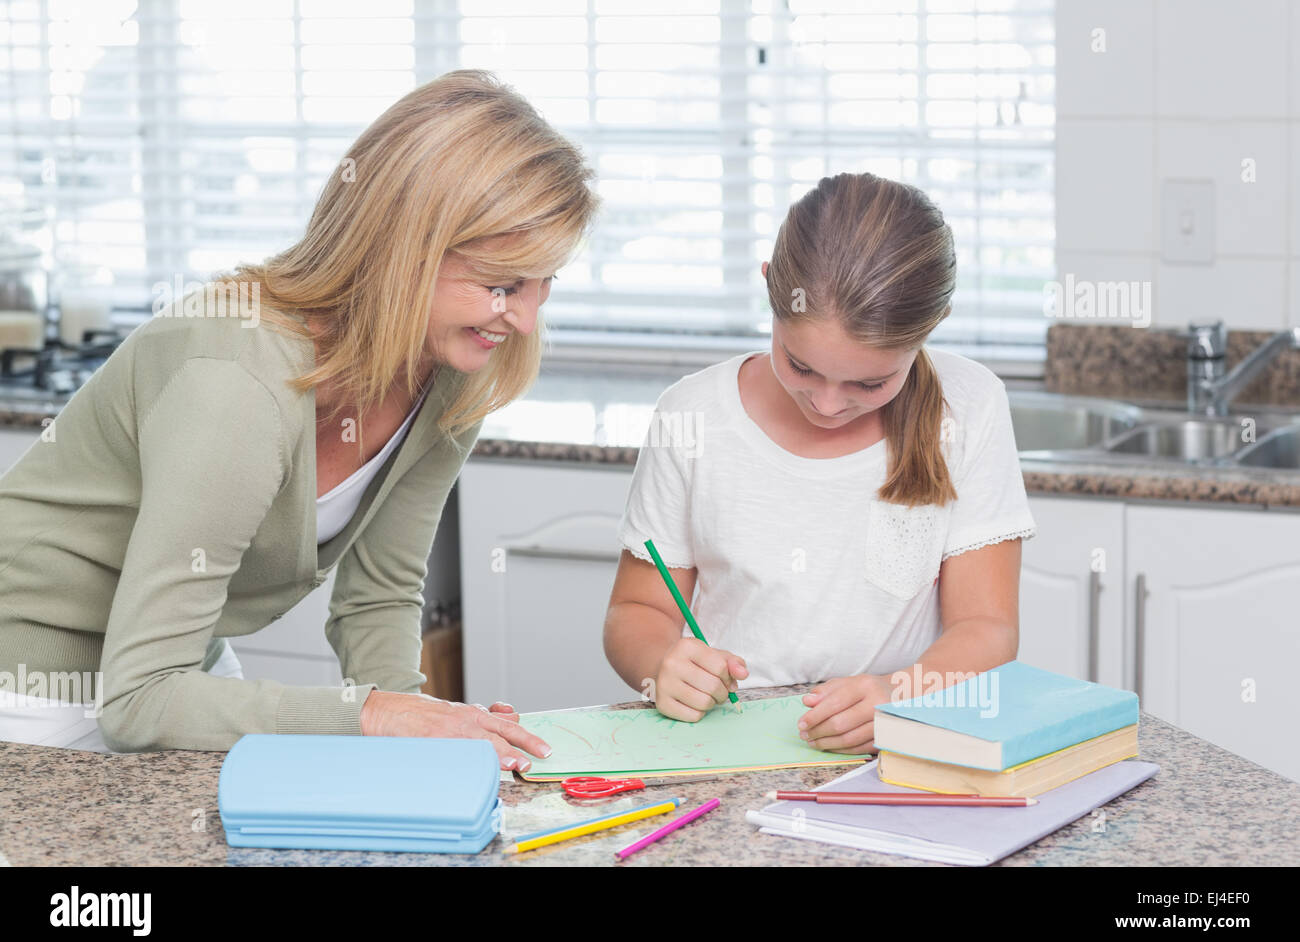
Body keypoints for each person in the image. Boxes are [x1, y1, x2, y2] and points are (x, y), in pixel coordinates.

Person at [0, 70, 599, 768]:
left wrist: (427, 737)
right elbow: (138, 703)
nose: (524, 321)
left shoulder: (451, 368)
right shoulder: (236, 375)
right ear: (403, 250)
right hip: (34, 682)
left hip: (179, 670)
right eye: (501, 286)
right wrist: (379, 717)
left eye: (542, 288)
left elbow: (378, 598)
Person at [604, 171, 1037, 754]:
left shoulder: (969, 406)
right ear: (769, 292)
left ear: (929, 328)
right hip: (726, 747)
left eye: (869, 381)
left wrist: (901, 693)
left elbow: (987, 627)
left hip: (898, 745)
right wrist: (661, 664)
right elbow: (637, 610)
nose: (828, 404)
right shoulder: (692, 416)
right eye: (802, 367)